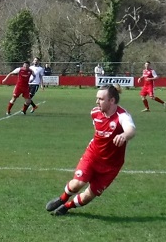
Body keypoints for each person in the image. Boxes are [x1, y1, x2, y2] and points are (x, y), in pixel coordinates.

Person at [46, 84, 136, 215]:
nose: (97, 102)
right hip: (93, 155)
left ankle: (67, 207)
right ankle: (62, 198)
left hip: (111, 165)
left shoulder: (122, 116)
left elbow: (131, 130)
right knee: (78, 183)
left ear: (111, 101)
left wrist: (124, 135)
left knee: (89, 196)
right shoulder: (95, 113)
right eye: (97, 98)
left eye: (100, 99)